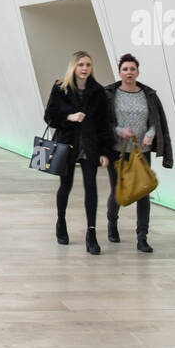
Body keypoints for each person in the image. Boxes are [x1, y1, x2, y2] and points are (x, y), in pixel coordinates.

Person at [104, 53, 173, 253]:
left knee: (143, 192)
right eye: (125, 69)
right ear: (120, 72)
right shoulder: (111, 94)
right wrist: (120, 131)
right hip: (117, 151)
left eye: (132, 69)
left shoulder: (147, 94)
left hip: (142, 151)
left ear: (137, 72)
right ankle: (112, 224)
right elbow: (105, 122)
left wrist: (150, 134)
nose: (129, 73)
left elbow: (155, 120)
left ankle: (142, 237)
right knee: (118, 191)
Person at [44, 51, 111, 253]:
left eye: (88, 65)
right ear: (73, 66)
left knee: (91, 188)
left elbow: (104, 124)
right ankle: (61, 222)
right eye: (81, 64)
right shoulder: (60, 88)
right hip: (66, 144)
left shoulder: (98, 91)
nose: (84, 68)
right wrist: (69, 117)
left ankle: (91, 234)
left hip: (89, 147)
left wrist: (104, 152)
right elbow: (49, 117)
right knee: (66, 186)